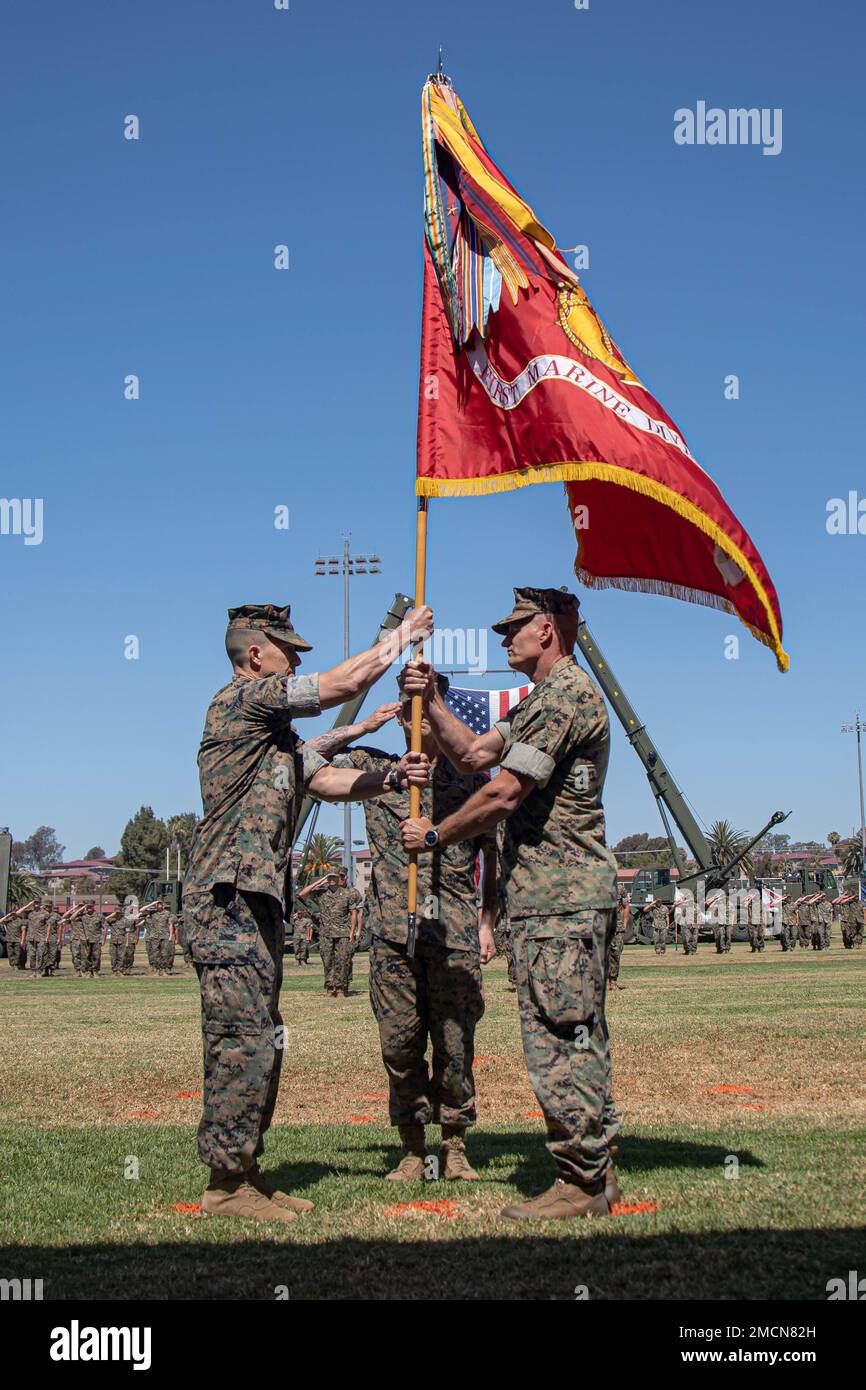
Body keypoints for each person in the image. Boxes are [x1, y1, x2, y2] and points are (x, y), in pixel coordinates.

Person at [182, 599, 433, 1223]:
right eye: (288, 651)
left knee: (263, 1040)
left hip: (256, 903)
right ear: (255, 655)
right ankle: (224, 1184)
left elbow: (324, 781)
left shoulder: (274, 736)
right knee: (239, 1041)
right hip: (226, 901)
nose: (295, 661)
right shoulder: (241, 702)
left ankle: (246, 1171)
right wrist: (402, 636)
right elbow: (339, 686)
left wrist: (391, 780)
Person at [401, 586, 620, 1220]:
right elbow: (472, 754)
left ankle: (580, 1183)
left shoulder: (566, 697)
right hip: (551, 900)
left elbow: (502, 794)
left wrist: (436, 835)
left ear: (546, 629)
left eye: (514, 627)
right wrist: (431, 698)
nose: (504, 639)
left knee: (560, 1036)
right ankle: (597, 1173)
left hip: (561, 899)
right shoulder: (538, 701)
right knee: (574, 1032)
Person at [326, 670, 497, 1181]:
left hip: (453, 933)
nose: (415, 713)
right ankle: (412, 1148)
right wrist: (361, 727)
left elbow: (494, 858)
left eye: (425, 702)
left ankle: (455, 1145)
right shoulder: (374, 770)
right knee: (399, 1044)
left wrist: (487, 923)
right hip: (392, 935)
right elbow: (309, 762)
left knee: (454, 1044)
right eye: (408, 705)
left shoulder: (471, 779)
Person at [298, 870, 361, 996]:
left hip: (343, 932)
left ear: (339, 879)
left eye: (334, 877)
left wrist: (352, 931)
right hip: (325, 933)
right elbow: (302, 894)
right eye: (329, 877)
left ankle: (341, 987)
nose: (332, 879)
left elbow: (354, 913)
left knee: (342, 960)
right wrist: (321, 881)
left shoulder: (347, 893)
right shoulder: (321, 893)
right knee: (327, 960)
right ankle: (330, 987)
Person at [608, 886, 629, 984]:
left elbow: (626, 907)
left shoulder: (620, 889)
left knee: (616, 953)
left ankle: (613, 981)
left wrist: (624, 924)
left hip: (617, 926)